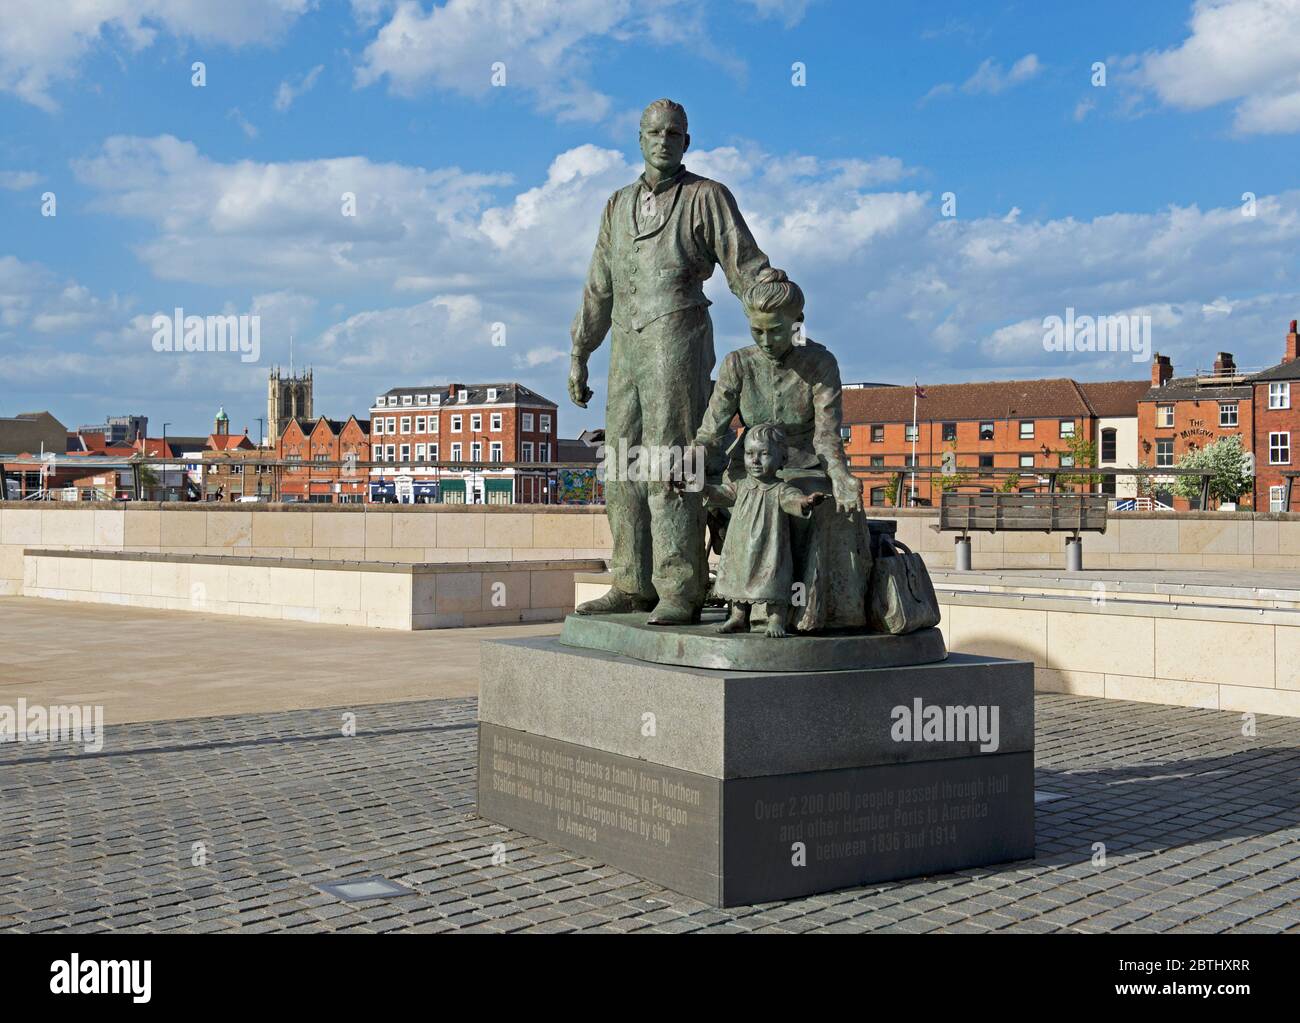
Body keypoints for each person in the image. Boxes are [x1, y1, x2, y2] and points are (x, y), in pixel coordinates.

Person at [569, 98, 772, 626]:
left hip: (677, 337)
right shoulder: (616, 204)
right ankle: (631, 582)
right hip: (625, 347)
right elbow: (599, 285)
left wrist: (776, 317)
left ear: (687, 141)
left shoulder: (706, 197)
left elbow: (744, 265)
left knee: (671, 464)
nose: (663, 140)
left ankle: (680, 587)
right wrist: (580, 351)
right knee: (620, 465)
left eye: (673, 133)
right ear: (639, 139)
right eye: (654, 132)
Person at [693, 268, 871, 631]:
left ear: (797, 322)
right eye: (757, 330)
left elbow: (826, 435)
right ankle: (743, 606)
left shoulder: (821, 363)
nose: (767, 340)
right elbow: (711, 430)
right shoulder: (738, 364)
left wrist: (840, 476)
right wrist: (687, 465)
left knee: (817, 504)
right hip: (751, 467)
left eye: (776, 330)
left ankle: (800, 610)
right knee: (737, 499)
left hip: (805, 466)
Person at [700, 424, 825, 637]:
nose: (755, 461)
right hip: (740, 547)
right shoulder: (740, 486)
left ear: (782, 459)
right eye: (749, 454)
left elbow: (794, 499)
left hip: (770, 546)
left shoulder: (781, 489)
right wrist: (700, 487)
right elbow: (720, 493)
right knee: (738, 578)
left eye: (764, 454)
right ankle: (738, 617)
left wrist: (806, 501)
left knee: (774, 579)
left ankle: (776, 619)